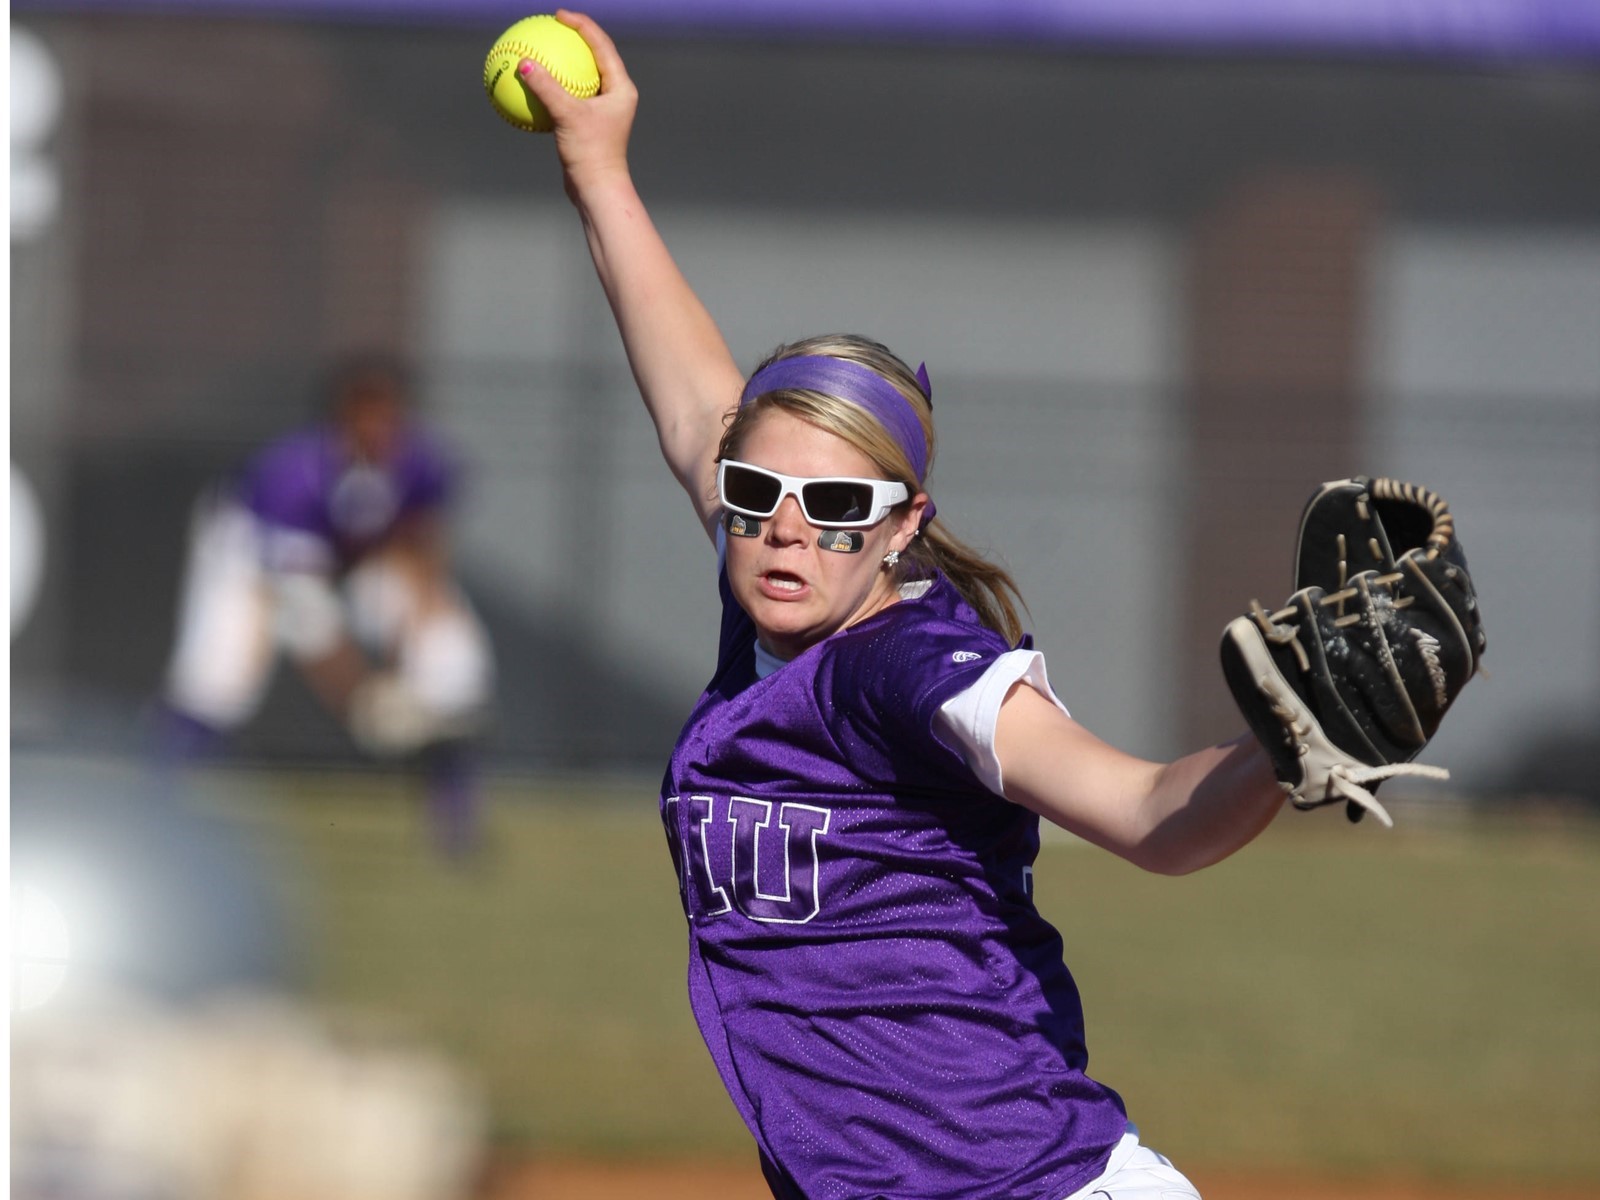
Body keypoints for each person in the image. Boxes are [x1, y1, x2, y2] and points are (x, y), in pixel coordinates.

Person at [523, 15, 1287, 1197]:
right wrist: (597, 166)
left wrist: (1281, 745)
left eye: (833, 501)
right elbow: (690, 408)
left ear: (902, 524)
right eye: (756, 493)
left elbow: (1146, 813)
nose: (786, 524)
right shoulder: (776, 602)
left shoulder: (905, 667)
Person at [156, 354, 494, 857]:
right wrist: (363, 699)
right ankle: (158, 809)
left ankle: (454, 815)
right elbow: (303, 612)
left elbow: (421, 552)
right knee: (219, 677)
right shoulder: (294, 474)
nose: (380, 426)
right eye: (366, 412)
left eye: (390, 412)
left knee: (451, 654)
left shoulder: (422, 461)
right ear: (341, 416)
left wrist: (410, 641)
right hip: (245, 549)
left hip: (353, 555)